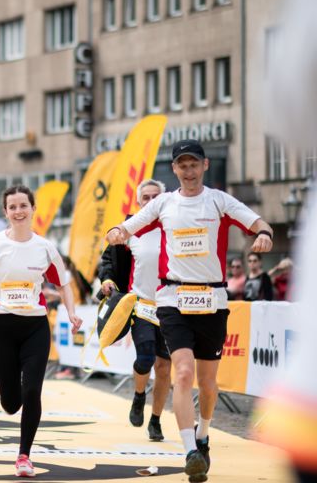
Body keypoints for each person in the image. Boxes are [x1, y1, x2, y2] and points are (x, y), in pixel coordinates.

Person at [106, 140, 273, 483]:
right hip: (172, 298)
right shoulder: (164, 203)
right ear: (175, 169)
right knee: (182, 373)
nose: (189, 171)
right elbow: (130, 225)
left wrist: (266, 234)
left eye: (194, 164)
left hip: (212, 300)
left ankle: (203, 434)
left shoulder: (219, 201)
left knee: (208, 384)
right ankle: (190, 451)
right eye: (182, 165)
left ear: (205, 165)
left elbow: (257, 222)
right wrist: (117, 231)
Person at [0, 184, 81, 478]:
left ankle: (24, 456)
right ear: (6, 212)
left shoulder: (45, 247)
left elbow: (63, 283)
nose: (18, 211)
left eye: (23, 206)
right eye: (12, 207)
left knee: (32, 391)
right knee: (11, 402)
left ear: (32, 209)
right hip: (1, 328)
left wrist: (71, 312)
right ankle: (10, 400)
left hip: (35, 327)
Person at [100, 179, 171, 442]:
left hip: (171, 306)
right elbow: (108, 259)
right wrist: (108, 280)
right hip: (142, 305)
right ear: (139, 202)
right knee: (145, 358)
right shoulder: (129, 229)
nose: (151, 202)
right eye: (146, 198)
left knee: (164, 368)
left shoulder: (174, 226)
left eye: (155, 197)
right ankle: (140, 396)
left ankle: (156, 420)